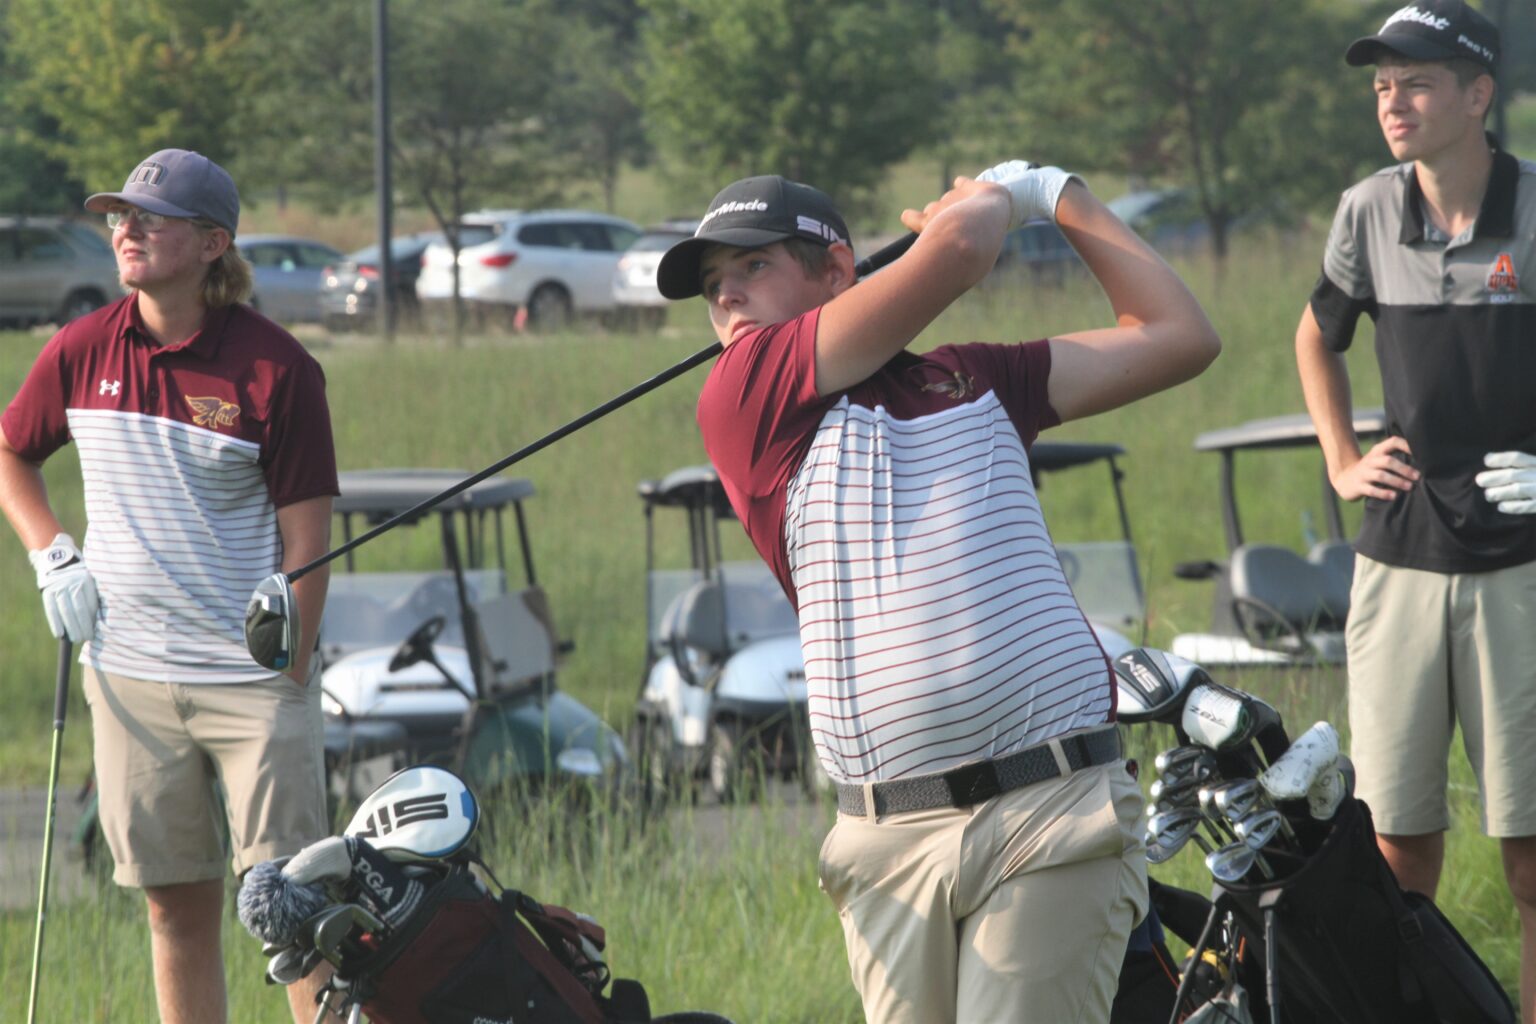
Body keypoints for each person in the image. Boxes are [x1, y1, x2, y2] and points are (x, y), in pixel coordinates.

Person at [655, 162, 1220, 1022]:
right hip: (886, 842)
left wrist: (1056, 193)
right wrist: (996, 198)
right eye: (711, 285)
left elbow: (1180, 336)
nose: (727, 296)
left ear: (836, 271)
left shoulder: (981, 379)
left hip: (1050, 805)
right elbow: (957, 247)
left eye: (753, 266)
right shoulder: (743, 395)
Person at [0, 149, 340, 1024]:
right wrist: (51, 553)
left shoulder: (278, 369)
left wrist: (290, 674)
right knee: (172, 905)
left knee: (295, 913)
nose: (127, 229)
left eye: (151, 218)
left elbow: (309, 541)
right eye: (121, 215)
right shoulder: (81, 348)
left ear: (213, 243)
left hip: (252, 683)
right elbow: (11, 452)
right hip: (130, 681)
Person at [1291, 1, 1536, 1018]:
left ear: (1479, 95)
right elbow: (1317, 336)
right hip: (1398, 559)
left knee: (1532, 856)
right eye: (1383, 86)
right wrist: (1342, 458)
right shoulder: (1365, 209)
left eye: (1418, 83)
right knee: (1397, 849)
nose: (1394, 103)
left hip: (1524, 565)